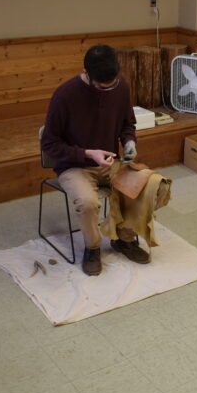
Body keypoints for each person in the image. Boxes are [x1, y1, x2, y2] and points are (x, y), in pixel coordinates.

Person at [41, 44, 149, 276]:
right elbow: (49, 144)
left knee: (147, 184)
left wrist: (129, 141)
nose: (108, 90)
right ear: (87, 74)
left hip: (109, 162)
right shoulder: (65, 95)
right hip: (75, 166)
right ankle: (92, 248)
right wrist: (88, 153)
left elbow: (127, 123)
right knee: (89, 203)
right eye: (102, 86)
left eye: (112, 84)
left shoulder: (121, 86)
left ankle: (123, 239)